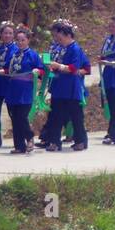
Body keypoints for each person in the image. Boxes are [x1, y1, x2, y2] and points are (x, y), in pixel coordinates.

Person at [40, 19, 90, 152]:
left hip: (71, 88)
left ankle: (81, 140)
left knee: (76, 116)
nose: (58, 39)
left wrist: (58, 66)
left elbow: (74, 68)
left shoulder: (75, 49)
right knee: (55, 114)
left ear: (68, 35)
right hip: (59, 86)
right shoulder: (62, 48)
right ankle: (54, 141)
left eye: (60, 37)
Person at [1, 26, 43, 154]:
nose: (20, 42)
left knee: (21, 116)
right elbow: (8, 69)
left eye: (23, 40)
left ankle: (29, 137)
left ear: (28, 40)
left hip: (25, 90)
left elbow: (41, 70)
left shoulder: (32, 54)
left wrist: (37, 71)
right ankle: (19, 146)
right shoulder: (14, 54)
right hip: (13, 89)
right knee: (14, 118)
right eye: (18, 40)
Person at [0, 22, 16, 149]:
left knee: (13, 112)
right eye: (5, 33)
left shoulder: (16, 49)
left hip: (9, 83)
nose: (7, 35)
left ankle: (19, 137)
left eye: (10, 33)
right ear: (1, 34)